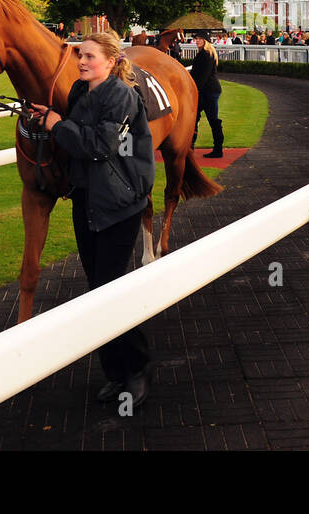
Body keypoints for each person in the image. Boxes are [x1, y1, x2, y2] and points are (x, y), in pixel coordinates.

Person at [32, 32, 156, 406]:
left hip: (120, 204)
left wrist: (57, 125)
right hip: (86, 200)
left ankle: (137, 369)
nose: (81, 61)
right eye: (79, 55)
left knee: (109, 289)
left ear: (109, 60)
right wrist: (45, 121)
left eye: (88, 56)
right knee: (97, 288)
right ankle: (115, 372)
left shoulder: (121, 95)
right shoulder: (79, 92)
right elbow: (76, 140)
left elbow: (99, 147)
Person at [184, 33, 224, 158]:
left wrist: (193, 90)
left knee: (212, 120)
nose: (197, 41)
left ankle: (217, 149)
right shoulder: (203, 54)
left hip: (209, 91)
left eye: (200, 39)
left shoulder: (206, 55)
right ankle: (189, 146)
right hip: (207, 90)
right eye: (196, 39)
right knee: (195, 117)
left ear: (206, 41)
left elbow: (203, 77)